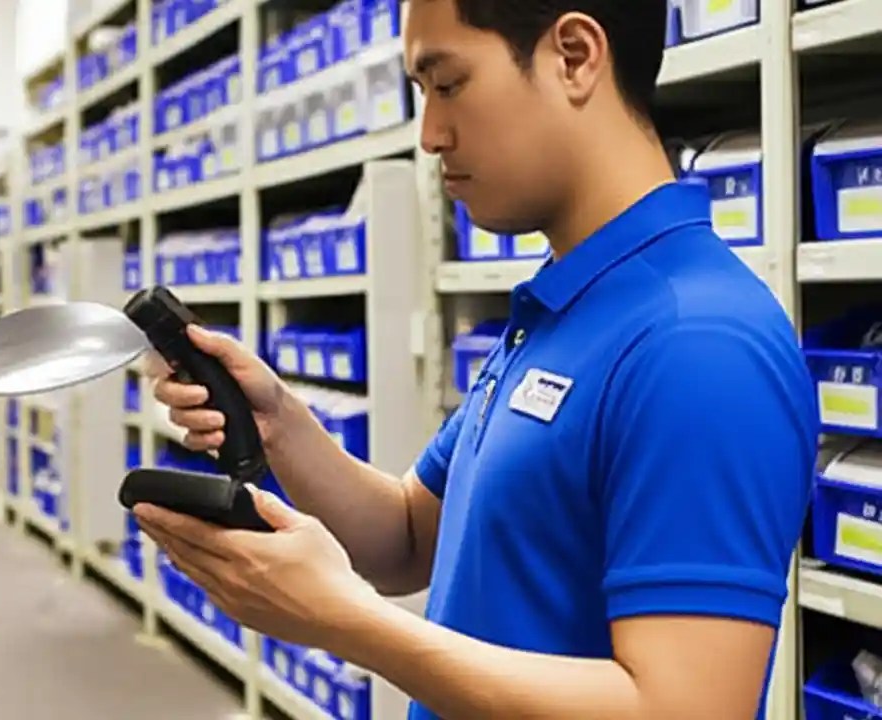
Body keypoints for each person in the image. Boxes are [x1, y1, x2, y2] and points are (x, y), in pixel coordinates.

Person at [132, 1, 818, 718]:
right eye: (420, 93)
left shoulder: (698, 346)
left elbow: (682, 710)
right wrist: (279, 421)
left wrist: (344, 622)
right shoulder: (566, 308)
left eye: (448, 84)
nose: (429, 135)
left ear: (575, 57)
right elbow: (406, 537)